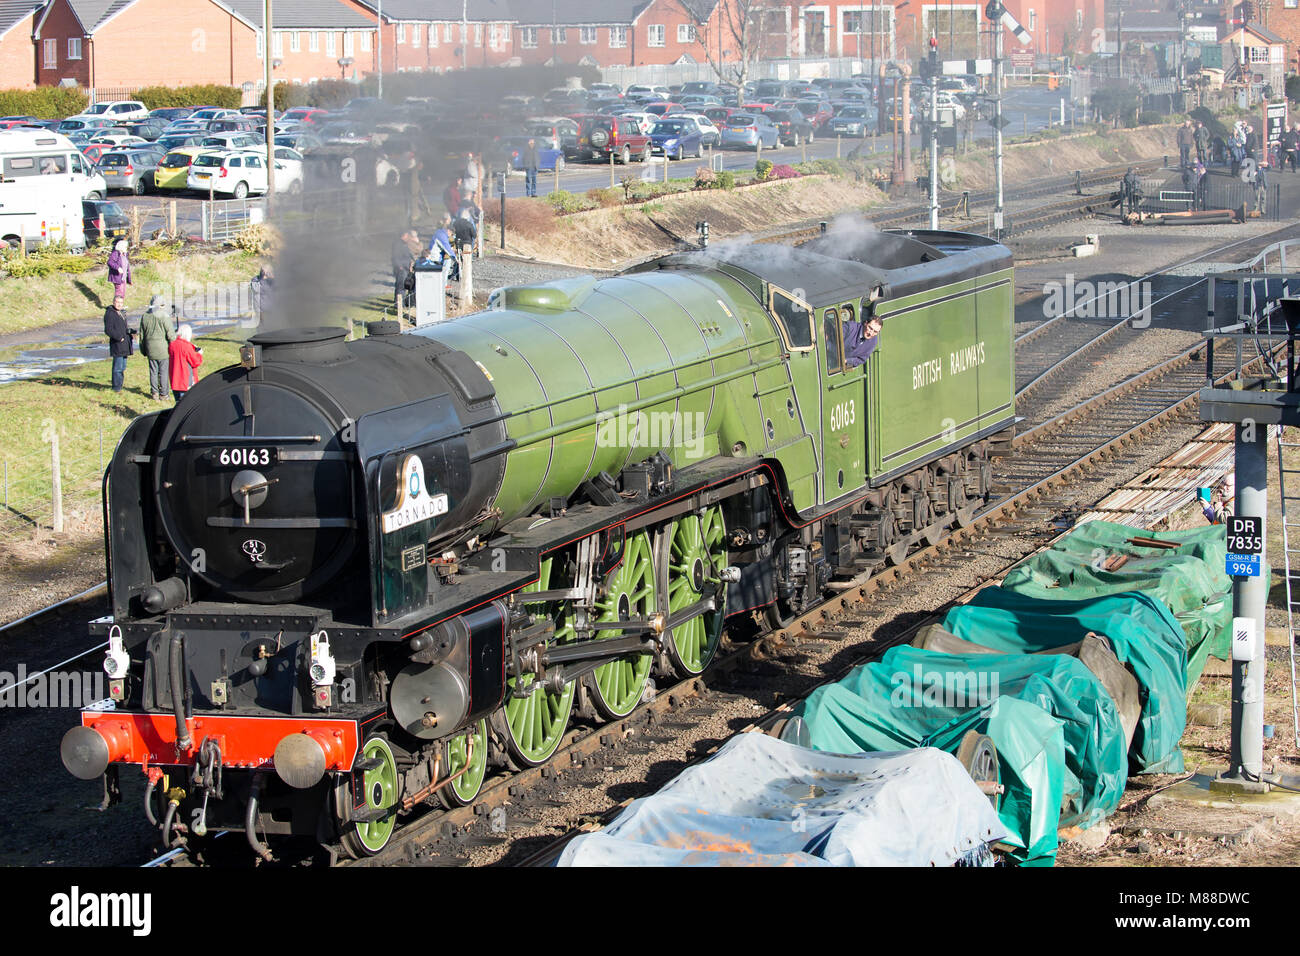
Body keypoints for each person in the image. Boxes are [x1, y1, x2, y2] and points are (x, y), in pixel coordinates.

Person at [138, 294, 175, 400]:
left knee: (153, 371)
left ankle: (154, 392)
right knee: (163, 371)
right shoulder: (164, 316)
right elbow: (171, 334)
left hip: (150, 348)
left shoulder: (145, 316)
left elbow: (141, 336)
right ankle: (164, 394)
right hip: (163, 349)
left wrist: (143, 350)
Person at [103, 293, 133, 393]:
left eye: (121, 302)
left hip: (124, 345)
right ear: (113, 302)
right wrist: (119, 337)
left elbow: (122, 327)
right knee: (118, 368)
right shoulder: (110, 313)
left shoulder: (121, 313)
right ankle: (116, 387)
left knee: (122, 367)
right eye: (117, 302)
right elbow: (108, 330)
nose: (119, 304)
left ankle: (120, 385)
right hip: (117, 344)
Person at [168, 324, 203, 402]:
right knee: (186, 405)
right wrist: (199, 354)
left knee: (178, 405)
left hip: (175, 380)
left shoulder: (172, 344)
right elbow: (196, 361)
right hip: (185, 381)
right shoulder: (186, 346)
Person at [392, 227, 418, 321]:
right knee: (401, 287)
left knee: (404, 286)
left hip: (406, 268)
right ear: (403, 235)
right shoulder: (398, 245)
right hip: (401, 269)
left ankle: (400, 303)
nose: (408, 237)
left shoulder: (404, 244)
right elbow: (395, 257)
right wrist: (400, 267)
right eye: (407, 235)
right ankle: (399, 305)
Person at [428, 215, 459, 281]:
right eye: (451, 234)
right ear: (449, 231)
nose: (450, 236)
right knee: (435, 277)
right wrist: (455, 258)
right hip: (434, 258)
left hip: (435, 256)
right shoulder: (442, 236)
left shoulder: (440, 232)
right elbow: (447, 248)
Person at [106, 238, 131, 303]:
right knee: (119, 293)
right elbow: (110, 262)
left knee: (122, 293)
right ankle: (116, 307)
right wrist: (118, 268)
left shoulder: (125, 254)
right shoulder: (116, 253)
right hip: (117, 277)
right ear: (121, 247)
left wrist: (129, 279)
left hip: (124, 277)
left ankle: (120, 306)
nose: (126, 248)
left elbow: (127, 266)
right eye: (125, 247)